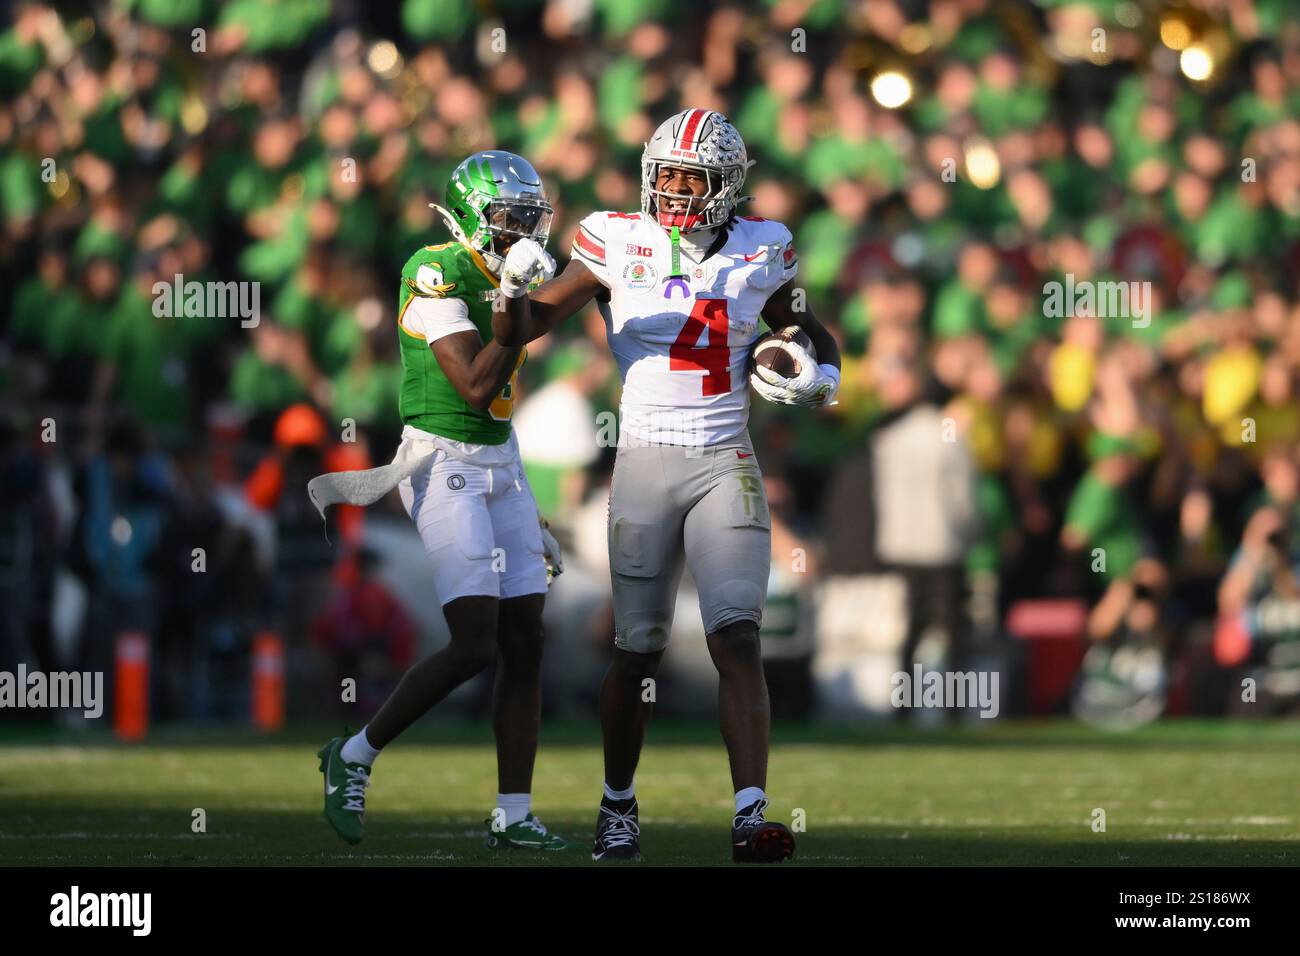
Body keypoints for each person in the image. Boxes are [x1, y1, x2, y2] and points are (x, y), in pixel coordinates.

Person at [514, 110, 841, 862]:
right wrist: (506, 291)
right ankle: (618, 804)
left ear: (727, 186)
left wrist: (821, 374)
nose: (677, 190)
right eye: (667, 175)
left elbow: (807, 330)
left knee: (738, 635)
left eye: (693, 179)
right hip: (643, 461)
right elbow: (534, 321)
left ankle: (750, 813)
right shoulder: (613, 238)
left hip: (726, 459)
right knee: (637, 650)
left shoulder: (764, 248)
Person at [308, 151, 571, 850]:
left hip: (503, 462)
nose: (521, 233)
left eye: (528, 220)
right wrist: (514, 302)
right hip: (444, 462)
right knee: (475, 642)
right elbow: (477, 388)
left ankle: (514, 816)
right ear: (471, 216)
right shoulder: (435, 270)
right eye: (508, 219)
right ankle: (356, 753)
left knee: (525, 641)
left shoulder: (501, 272)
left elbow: (574, 291)